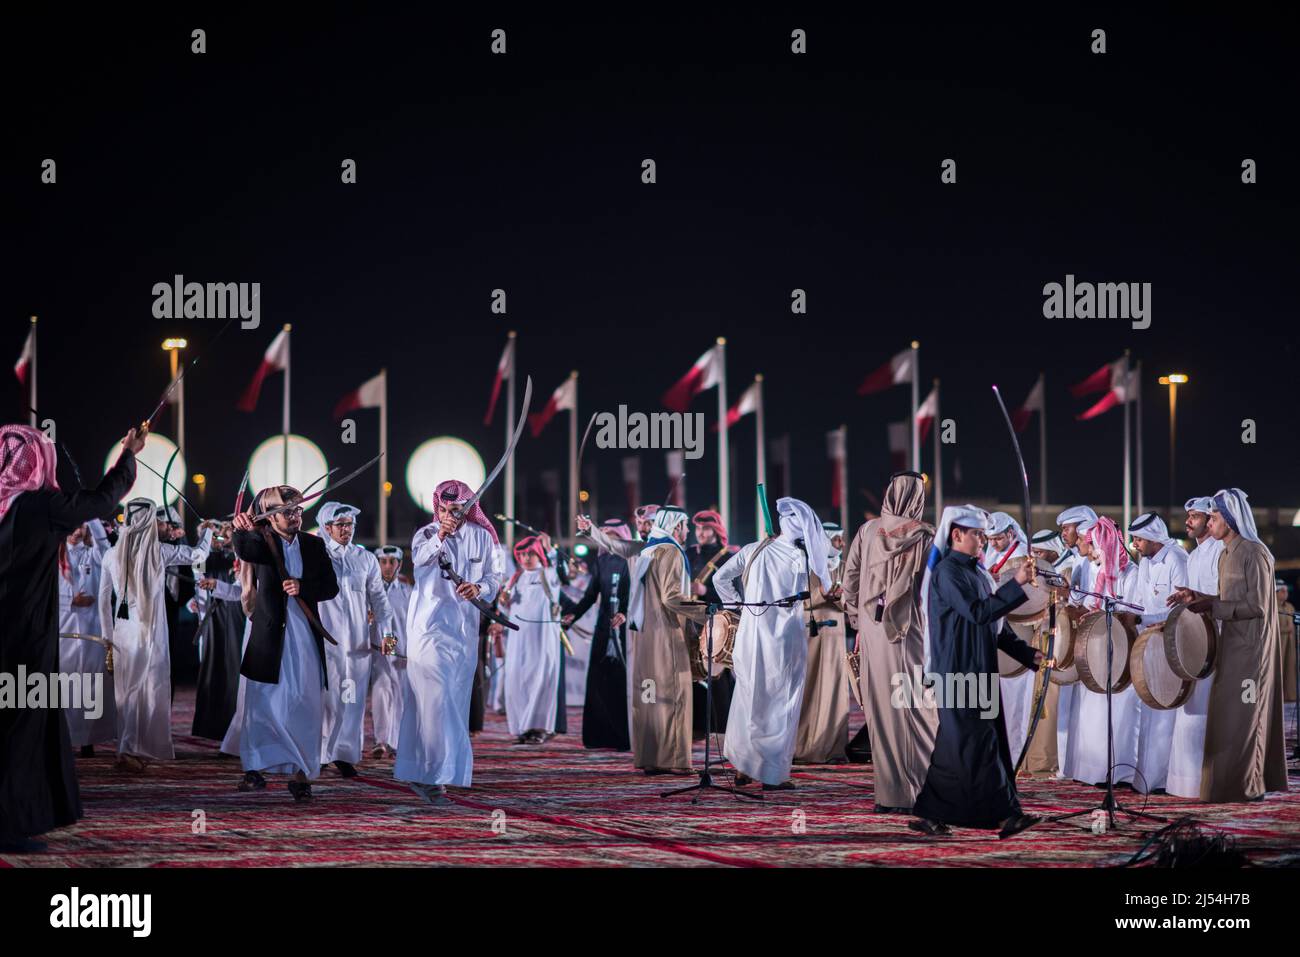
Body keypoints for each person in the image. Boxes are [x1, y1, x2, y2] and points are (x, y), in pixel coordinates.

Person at [0, 424, 141, 851]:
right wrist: (128, 454)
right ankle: (9, 825)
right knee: (21, 727)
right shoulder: (37, 507)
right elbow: (98, 500)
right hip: (23, 635)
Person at [910, 505, 1044, 838]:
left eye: (985, 535)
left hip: (976, 669)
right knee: (980, 744)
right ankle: (1006, 816)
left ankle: (931, 813)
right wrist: (1016, 583)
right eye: (977, 535)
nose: (982, 541)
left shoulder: (975, 573)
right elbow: (978, 612)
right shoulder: (947, 573)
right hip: (958, 673)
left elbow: (995, 627)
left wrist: (1029, 654)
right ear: (956, 535)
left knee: (956, 748)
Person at [1168, 488, 1287, 802]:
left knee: (1247, 717)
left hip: (1251, 653)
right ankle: (1226, 785)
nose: (1210, 524)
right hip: (1229, 648)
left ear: (1232, 520)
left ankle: (1249, 786)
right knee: (1229, 720)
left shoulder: (1255, 553)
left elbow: (1258, 606)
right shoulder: (1226, 553)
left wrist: (1212, 607)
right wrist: (1197, 598)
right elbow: (1227, 599)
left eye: (1216, 517)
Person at [395, 480, 502, 804]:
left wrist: (479, 589)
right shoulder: (426, 535)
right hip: (428, 633)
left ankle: (425, 772)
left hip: (463, 635)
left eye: (456, 510)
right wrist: (440, 534)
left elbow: (495, 578)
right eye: (444, 509)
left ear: (468, 508)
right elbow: (421, 560)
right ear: (437, 509)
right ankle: (434, 778)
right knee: (436, 700)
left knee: (447, 704)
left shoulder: (482, 538)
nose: (450, 515)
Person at [231, 486, 340, 801]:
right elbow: (245, 549)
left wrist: (302, 586)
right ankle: (255, 769)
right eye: (287, 512)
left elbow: (330, 587)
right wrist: (242, 528)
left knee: (304, 702)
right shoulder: (262, 543)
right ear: (271, 516)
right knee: (263, 703)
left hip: (304, 635)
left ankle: (301, 774)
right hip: (269, 637)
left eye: (298, 511)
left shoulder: (314, 544)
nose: (295, 517)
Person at [710, 499, 826, 789]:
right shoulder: (799, 558)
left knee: (748, 700)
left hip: (750, 635)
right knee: (779, 704)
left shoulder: (752, 549)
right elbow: (807, 593)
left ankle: (742, 768)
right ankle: (771, 773)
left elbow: (719, 577)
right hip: (783, 639)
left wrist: (737, 605)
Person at [841, 472, 937, 811]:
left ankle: (890, 795)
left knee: (881, 712)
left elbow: (849, 579)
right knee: (917, 710)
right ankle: (920, 793)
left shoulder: (867, 532)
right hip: (909, 633)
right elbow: (931, 591)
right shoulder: (926, 537)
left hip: (871, 633)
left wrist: (857, 619)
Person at [99, 499, 214, 771]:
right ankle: (131, 747)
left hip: (122, 631)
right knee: (147, 687)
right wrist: (207, 531)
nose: (162, 525)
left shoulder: (111, 554)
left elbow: (103, 601)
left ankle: (130, 748)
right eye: (158, 521)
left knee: (128, 690)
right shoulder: (159, 552)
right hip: (150, 630)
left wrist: (107, 637)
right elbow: (199, 554)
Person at [627, 505, 708, 775]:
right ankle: (674, 760)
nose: (686, 532)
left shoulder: (648, 550)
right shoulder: (670, 551)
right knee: (673, 696)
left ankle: (650, 756)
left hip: (644, 638)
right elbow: (672, 598)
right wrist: (706, 612)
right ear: (676, 527)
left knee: (650, 697)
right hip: (667, 635)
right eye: (684, 526)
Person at [1060, 516, 1140, 787]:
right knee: (1093, 713)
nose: (1086, 547)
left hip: (1119, 654)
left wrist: (1099, 614)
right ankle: (1093, 772)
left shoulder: (1129, 574)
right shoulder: (1093, 571)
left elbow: (1131, 614)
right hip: (1094, 651)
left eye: (1090, 542)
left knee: (1119, 714)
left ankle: (1120, 774)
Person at [316, 502, 393, 777]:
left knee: (353, 698)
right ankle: (321, 753)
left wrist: (388, 637)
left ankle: (345, 753)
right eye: (341, 525)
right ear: (327, 527)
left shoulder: (365, 559)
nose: (346, 530)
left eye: (350, 525)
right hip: (326, 641)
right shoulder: (318, 555)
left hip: (358, 645)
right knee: (327, 698)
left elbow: (380, 601)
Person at [1125, 512, 1189, 794]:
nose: (1135, 544)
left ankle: (1162, 780)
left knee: (1164, 712)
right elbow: (1140, 603)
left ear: (1153, 538)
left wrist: (1142, 620)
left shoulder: (1177, 559)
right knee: (1149, 710)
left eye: (1138, 539)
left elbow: (1182, 608)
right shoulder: (1146, 561)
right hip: (1147, 643)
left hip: (1170, 642)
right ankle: (1145, 779)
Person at [1165, 496, 1225, 798]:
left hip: (1214, 637)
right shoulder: (1195, 554)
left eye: (1195, 516)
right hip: (1193, 636)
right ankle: (1185, 782)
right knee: (1189, 706)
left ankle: (1205, 781)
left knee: (1205, 707)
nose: (1189, 521)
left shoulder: (1220, 551)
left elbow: (1220, 596)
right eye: (1187, 516)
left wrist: (1196, 598)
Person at [561, 519, 632, 750]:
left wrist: (625, 613)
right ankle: (599, 737)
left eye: (612, 534)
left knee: (621, 684)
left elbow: (638, 595)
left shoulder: (632, 560)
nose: (607, 538)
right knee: (599, 682)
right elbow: (591, 595)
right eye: (604, 534)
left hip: (625, 629)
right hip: (604, 627)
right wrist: (573, 615)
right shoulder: (601, 561)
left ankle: (624, 738)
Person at [794, 519, 850, 764]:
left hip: (835, 638)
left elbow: (852, 598)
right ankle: (806, 747)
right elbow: (796, 599)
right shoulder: (806, 567)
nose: (841, 543)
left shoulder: (845, 567)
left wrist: (839, 597)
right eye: (837, 539)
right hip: (810, 636)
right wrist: (821, 594)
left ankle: (833, 748)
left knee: (833, 690)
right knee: (810, 689)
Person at [58, 520, 116, 755]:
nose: (75, 531)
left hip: (92, 630)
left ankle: (88, 739)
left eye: (81, 526)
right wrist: (70, 601)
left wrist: (93, 516)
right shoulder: (55, 556)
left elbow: (104, 547)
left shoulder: (94, 555)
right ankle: (65, 738)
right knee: (65, 685)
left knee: (92, 685)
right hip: (65, 630)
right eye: (73, 526)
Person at [499, 535, 564, 744]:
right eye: (523, 554)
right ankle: (521, 728)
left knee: (541, 679)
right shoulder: (515, 578)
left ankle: (539, 728)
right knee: (516, 680)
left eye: (531, 553)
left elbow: (558, 572)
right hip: (518, 638)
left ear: (539, 554)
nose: (526, 558)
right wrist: (503, 601)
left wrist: (550, 550)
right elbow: (504, 607)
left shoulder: (548, 574)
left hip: (542, 637)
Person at [190, 522, 248, 742]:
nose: (221, 541)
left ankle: (234, 725)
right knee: (215, 667)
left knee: (235, 668)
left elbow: (240, 589)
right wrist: (202, 537)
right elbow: (197, 576)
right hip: (215, 618)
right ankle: (212, 725)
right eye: (218, 537)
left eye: (224, 537)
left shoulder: (239, 557)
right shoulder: (208, 558)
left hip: (236, 615)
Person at [687, 509, 737, 739]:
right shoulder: (688, 553)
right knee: (694, 675)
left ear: (715, 530)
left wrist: (706, 591)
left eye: (706, 528)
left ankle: (721, 729)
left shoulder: (727, 557)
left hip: (717, 623)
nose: (701, 533)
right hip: (692, 621)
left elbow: (735, 594)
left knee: (718, 677)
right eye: (698, 528)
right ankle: (697, 726)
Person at [368, 545, 410, 758]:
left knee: (400, 694)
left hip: (402, 652)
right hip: (377, 651)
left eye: (391, 562)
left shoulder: (407, 592)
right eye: (383, 561)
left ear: (399, 564)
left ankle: (396, 741)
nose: (387, 566)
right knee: (382, 690)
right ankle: (381, 740)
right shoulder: (370, 590)